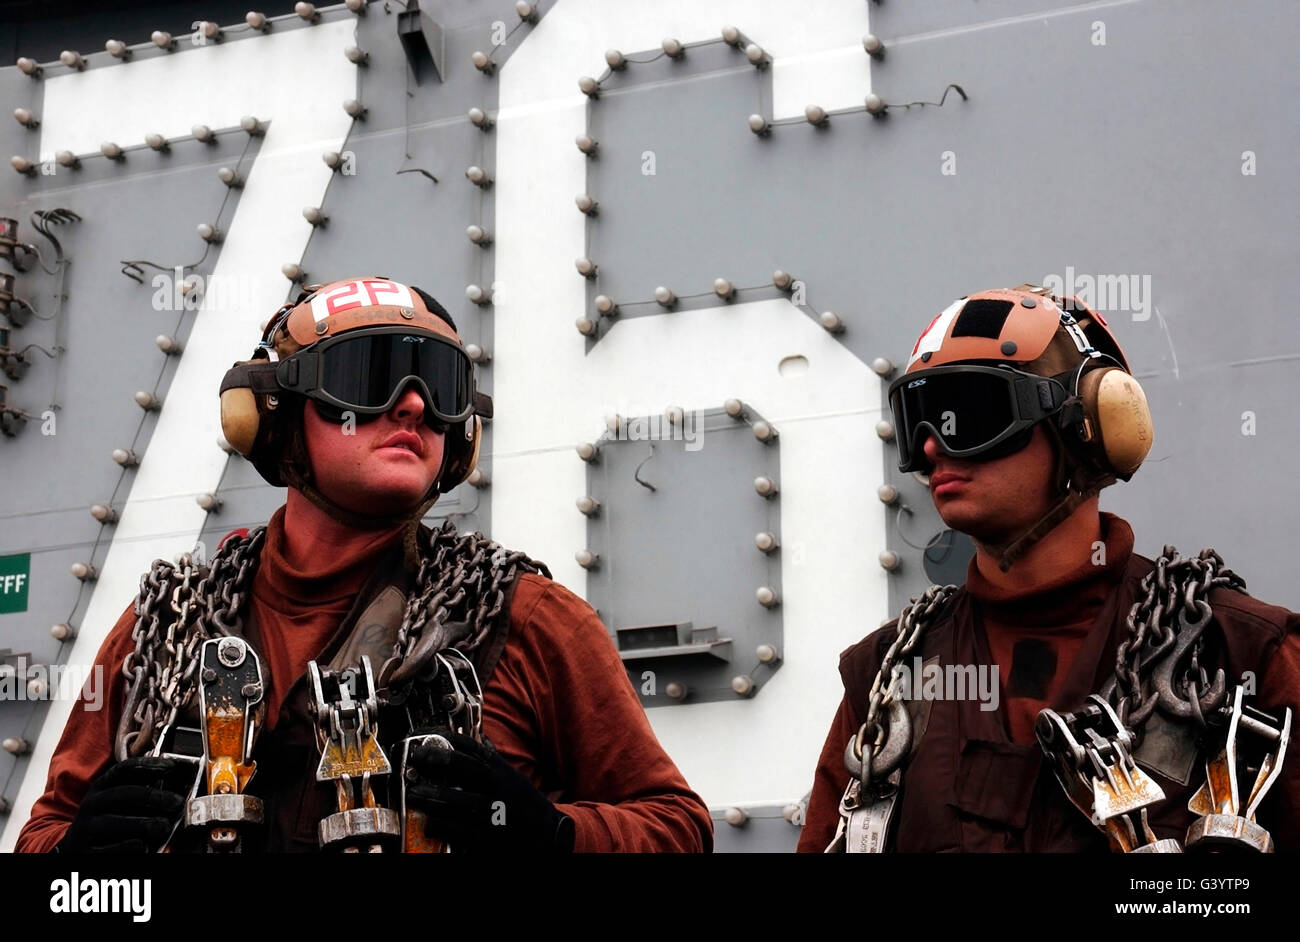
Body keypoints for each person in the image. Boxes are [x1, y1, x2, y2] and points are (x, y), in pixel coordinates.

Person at [17, 277, 712, 854]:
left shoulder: (528, 618)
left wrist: (555, 838)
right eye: (369, 375)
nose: (412, 404)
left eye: (440, 386)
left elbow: (677, 827)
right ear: (275, 415)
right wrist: (80, 868)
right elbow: (44, 833)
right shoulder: (162, 630)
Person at [798, 284, 1300, 853]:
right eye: (918, 422)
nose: (933, 448)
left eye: (966, 414)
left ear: (1088, 423)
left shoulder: (1244, 654)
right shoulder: (886, 679)